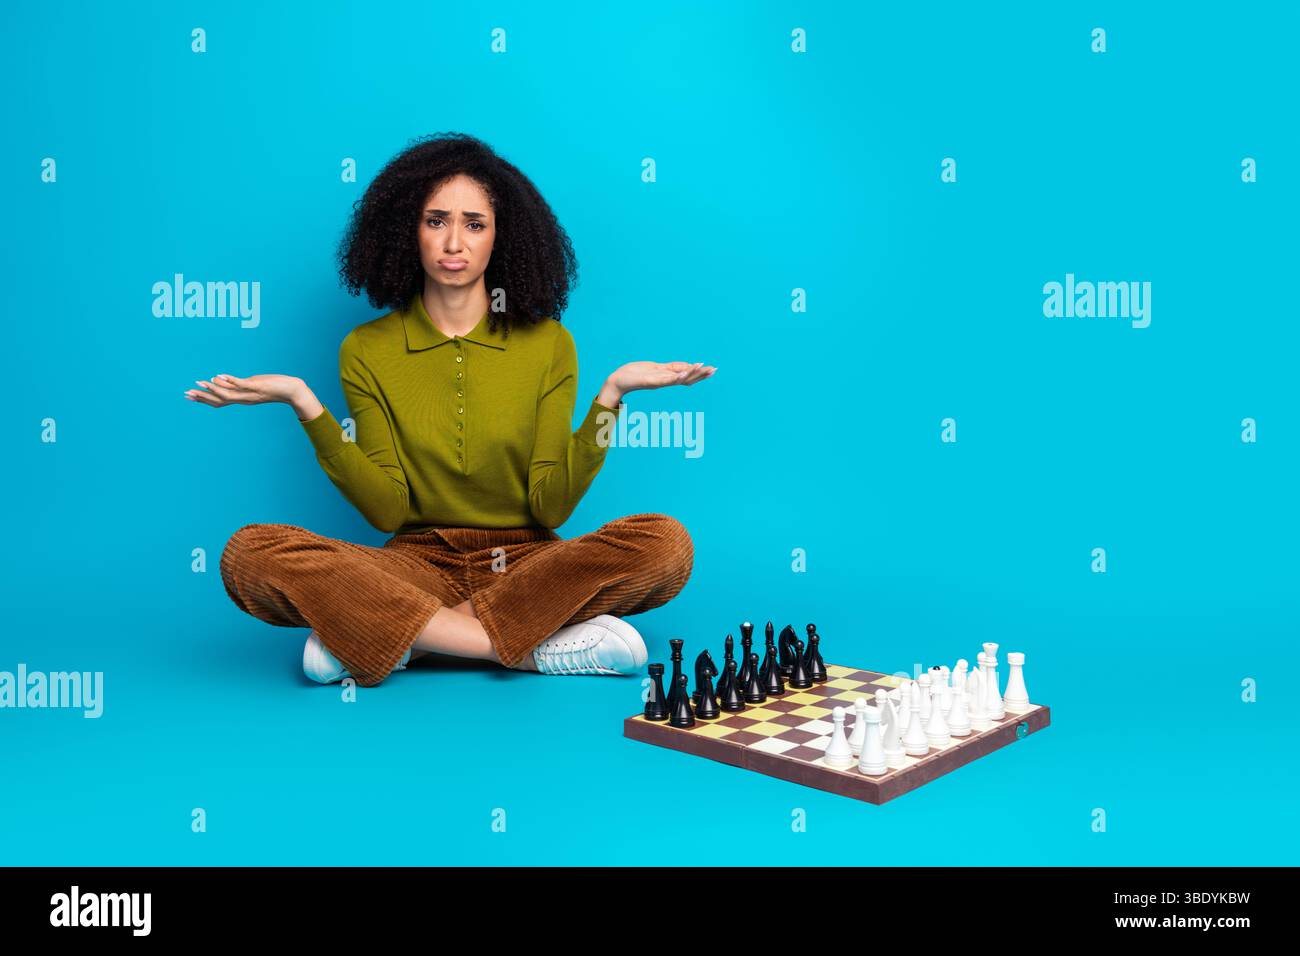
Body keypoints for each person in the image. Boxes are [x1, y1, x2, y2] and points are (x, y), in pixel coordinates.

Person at [185, 133, 714, 687]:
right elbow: (387, 512)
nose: (454, 242)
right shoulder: (366, 349)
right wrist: (305, 403)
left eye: (475, 224)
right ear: (405, 231)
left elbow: (550, 506)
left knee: (666, 544)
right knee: (249, 553)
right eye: (435, 221)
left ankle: (384, 637)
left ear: (500, 237)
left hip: (529, 565)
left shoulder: (549, 344)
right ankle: (524, 647)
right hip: (415, 566)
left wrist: (611, 397)